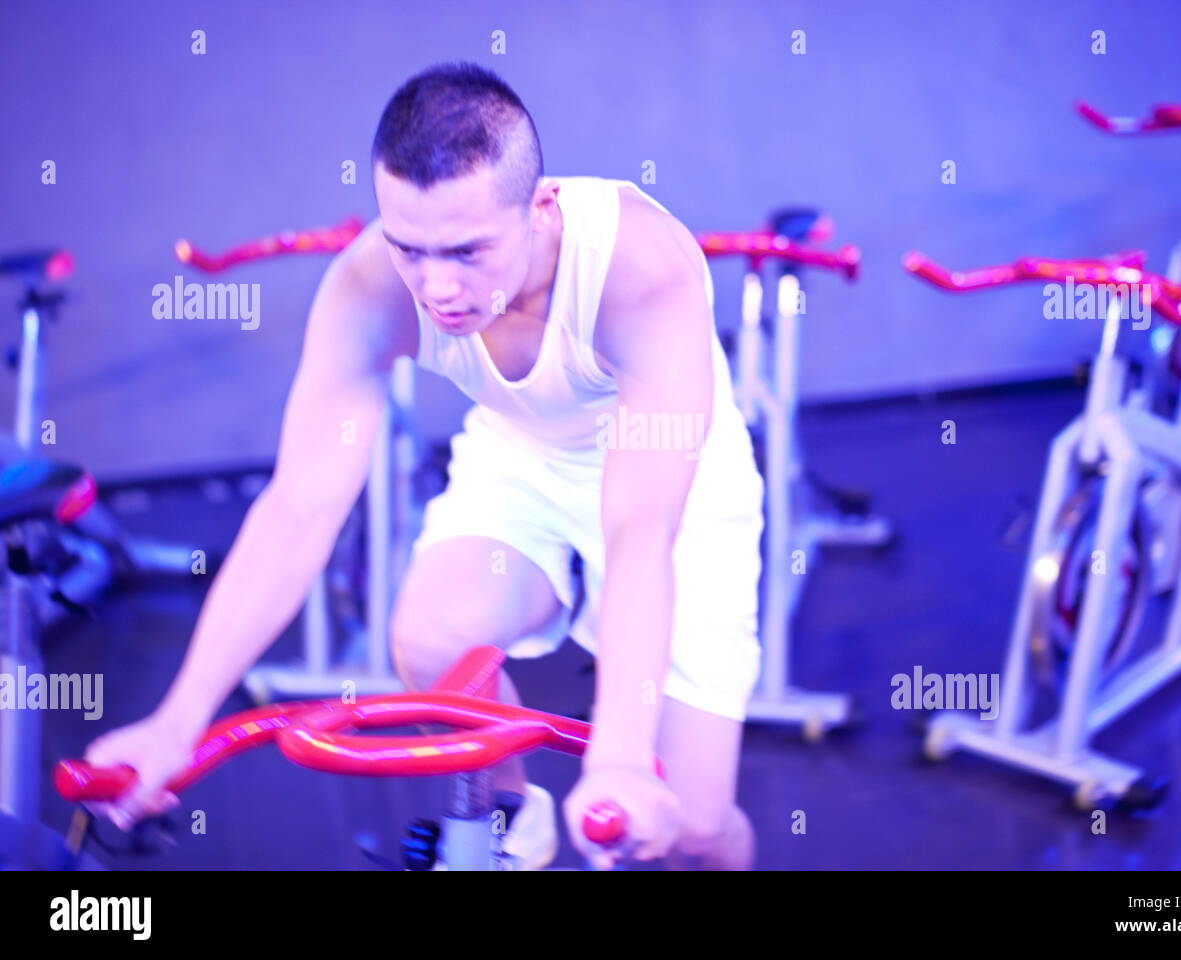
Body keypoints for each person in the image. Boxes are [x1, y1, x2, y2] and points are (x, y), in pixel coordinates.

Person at [83, 61, 765, 871]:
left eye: (468, 251)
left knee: (687, 828)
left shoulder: (639, 272)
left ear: (540, 208)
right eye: (411, 247)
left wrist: (617, 757)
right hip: (522, 456)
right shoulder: (370, 286)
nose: (437, 287)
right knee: (433, 640)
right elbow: (298, 508)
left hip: (674, 483)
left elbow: (642, 532)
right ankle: (517, 815)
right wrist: (177, 722)